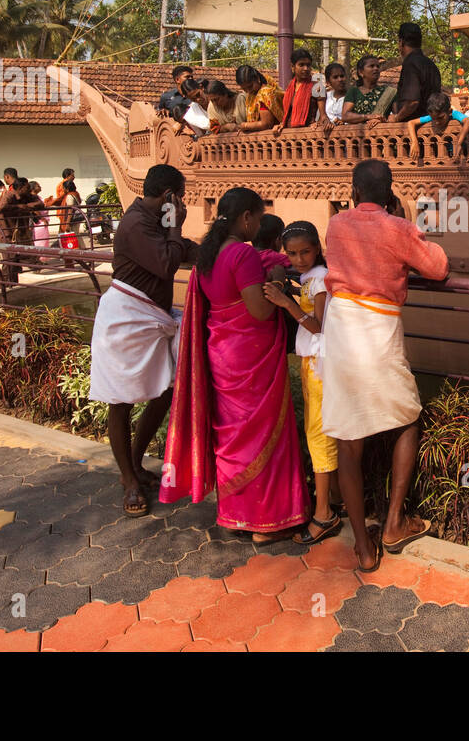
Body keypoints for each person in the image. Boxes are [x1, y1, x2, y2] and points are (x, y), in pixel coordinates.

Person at [320, 159, 449, 571]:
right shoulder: (398, 228)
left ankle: (362, 547)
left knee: (348, 441)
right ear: (391, 194)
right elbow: (438, 267)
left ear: (354, 192)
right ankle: (394, 523)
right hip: (380, 329)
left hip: (339, 326)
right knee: (407, 417)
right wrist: (409, 223)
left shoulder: (337, 225)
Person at [160, 187, 310, 540]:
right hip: (250, 358)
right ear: (247, 218)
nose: (258, 225)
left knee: (232, 436)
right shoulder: (242, 256)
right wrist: (275, 284)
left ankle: (236, 516)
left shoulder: (209, 255)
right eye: (258, 218)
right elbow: (259, 310)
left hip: (222, 355)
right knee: (260, 435)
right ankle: (267, 523)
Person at [89, 164, 199, 517]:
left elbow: (181, 251)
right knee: (119, 402)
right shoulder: (137, 222)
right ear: (170, 196)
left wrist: (227, 250)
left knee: (167, 390)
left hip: (153, 318)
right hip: (126, 318)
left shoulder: (156, 220)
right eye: (179, 197)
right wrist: (178, 225)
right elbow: (168, 263)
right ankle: (128, 480)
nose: (181, 203)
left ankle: (135, 464)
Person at [264, 220, 340, 545]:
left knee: (318, 433)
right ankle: (334, 500)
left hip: (321, 364)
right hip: (312, 364)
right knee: (318, 430)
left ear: (317, 249)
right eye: (292, 253)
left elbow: (319, 325)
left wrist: (287, 304)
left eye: (305, 252)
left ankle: (324, 513)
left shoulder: (320, 279)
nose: (298, 259)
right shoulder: (309, 278)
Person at [389, 22, 442, 123]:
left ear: (401, 42)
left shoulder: (410, 64)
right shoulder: (431, 64)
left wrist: (396, 118)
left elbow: (412, 102)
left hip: (415, 128)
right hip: (431, 126)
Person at [0, 178, 45, 282]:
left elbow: (40, 204)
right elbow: (1, 207)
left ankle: (13, 284)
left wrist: (26, 206)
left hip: (19, 232)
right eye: (26, 187)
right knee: (9, 259)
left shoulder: (27, 196)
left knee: (16, 258)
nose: (29, 189)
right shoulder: (9, 196)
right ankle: (6, 284)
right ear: (20, 188)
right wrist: (18, 207)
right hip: (7, 232)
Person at [405, 93, 465, 165]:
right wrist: (414, 142)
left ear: (449, 112)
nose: (437, 122)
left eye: (440, 118)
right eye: (434, 119)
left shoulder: (455, 114)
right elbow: (411, 123)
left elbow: (468, 121)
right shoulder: (432, 116)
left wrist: (459, 143)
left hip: (461, 154)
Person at [274, 48, 324, 133]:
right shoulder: (290, 87)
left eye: (308, 65)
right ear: (292, 67)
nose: (306, 68)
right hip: (289, 134)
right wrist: (282, 124)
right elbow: (288, 113)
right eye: (301, 65)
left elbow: (323, 116)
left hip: (308, 134)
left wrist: (317, 123)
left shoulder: (317, 86)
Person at [345, 54, 396, 122]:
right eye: (371, 66)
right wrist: (368, 117)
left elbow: (396, 116)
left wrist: (383, 120)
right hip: (357, 131)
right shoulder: (354, 91)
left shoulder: (389, 92)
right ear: (361, 72)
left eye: (378, 66)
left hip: (381, 130)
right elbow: (345, 116)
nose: (376, 68)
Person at [236, 64, 283, 132]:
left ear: (257, 78)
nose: (248, 91)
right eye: (244, 89)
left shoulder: (265, 93)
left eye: (250, 86)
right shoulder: (251, 96)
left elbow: (266, 124)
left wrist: (245, 125)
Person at [318, 62, 349, 133]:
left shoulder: (353, 95)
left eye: (342, 76)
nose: (340, 79)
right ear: (328, 82)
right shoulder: (326, 97)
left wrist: (344, 123)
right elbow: (321, 118)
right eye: (335, 77)